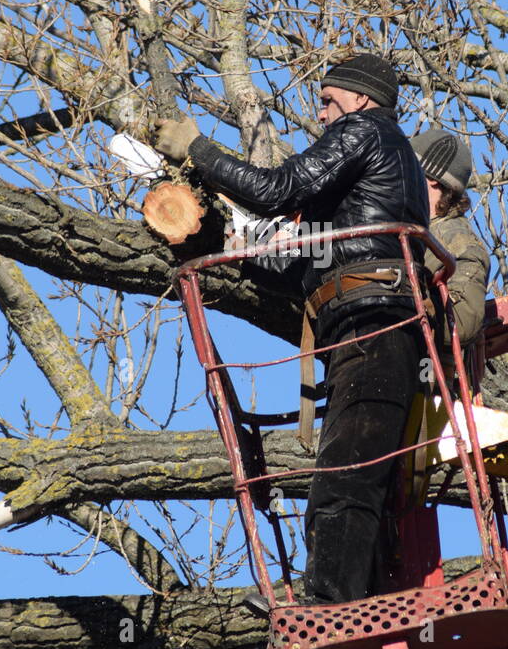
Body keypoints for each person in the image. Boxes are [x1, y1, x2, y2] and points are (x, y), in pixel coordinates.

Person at [151, 52, 429, 605]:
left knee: (346, 475)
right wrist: (224, 243)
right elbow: (303, 265)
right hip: (361, 323)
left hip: (374, 326)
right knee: (346, 471)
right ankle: (345, 603)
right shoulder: (364, 196)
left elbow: (278, 188)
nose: (322, 115)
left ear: (361, 99)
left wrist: (197, 149)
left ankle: (326, 607)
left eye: (328, 101)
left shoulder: (366, 132)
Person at [411, 128, 490, 370]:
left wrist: (402, 301)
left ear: (433, 178)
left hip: (424, 380)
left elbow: (464, 320)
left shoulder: (458, 242)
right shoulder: (405, 227)